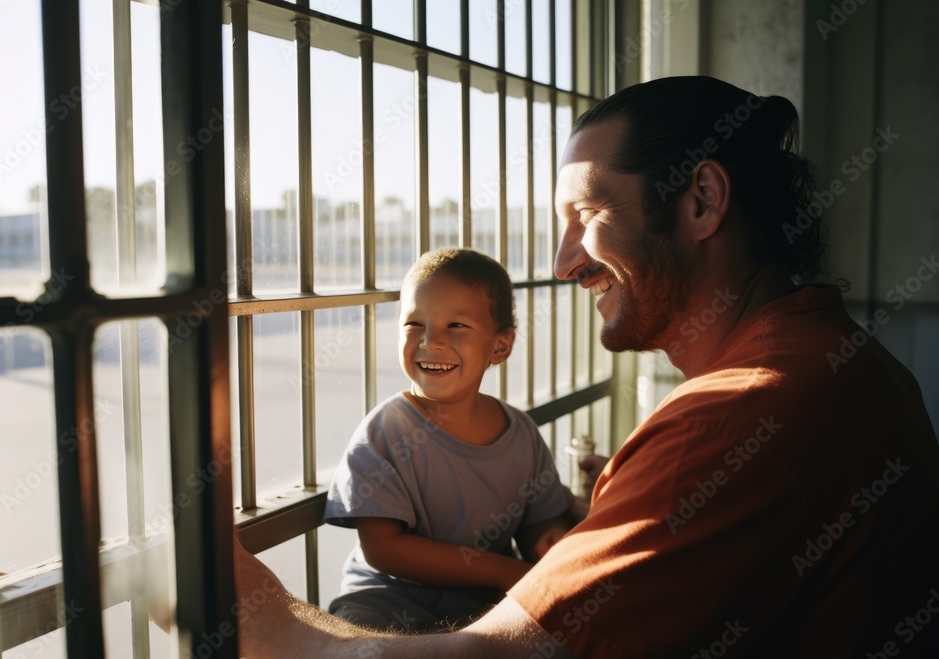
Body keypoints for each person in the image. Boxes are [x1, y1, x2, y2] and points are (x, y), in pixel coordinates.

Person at [232, 76, 939, 657]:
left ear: (703, 199)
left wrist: (245, 600)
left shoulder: (742, 411)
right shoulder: (844, 362)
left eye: (587, 212)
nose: (564, 262)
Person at [322, 248, 576, 632]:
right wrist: (500, 569)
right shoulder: (386, 430)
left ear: (500, 346)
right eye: (414, 325)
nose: (431, 341)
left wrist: (549, 540)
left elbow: (537, 524)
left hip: (485, 603)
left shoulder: (521, 433)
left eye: (456, 325)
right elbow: (383, 549)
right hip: (386, 599)